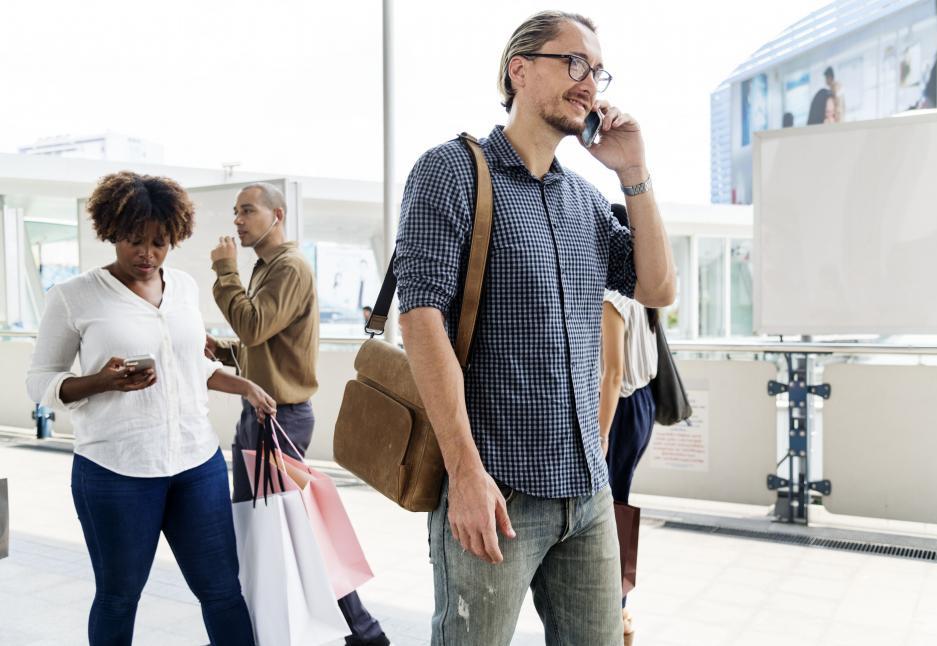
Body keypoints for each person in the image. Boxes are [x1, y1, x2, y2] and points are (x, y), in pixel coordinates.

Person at [395, 11, 676, 645]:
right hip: (497, 489)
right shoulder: (453, 171)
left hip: (588, 491)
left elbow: (658, 287)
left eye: (597, 71)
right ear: (518, 70)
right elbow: (420, 317)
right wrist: (464, 473)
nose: (590, 83)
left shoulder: (583, 199)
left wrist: (632, 170)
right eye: (574, 63)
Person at [26, 171, 274, 646]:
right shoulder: (74, 296)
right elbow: (40, 381)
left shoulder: (182, 287)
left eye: (159, 242)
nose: (147, 254)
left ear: (174, 238)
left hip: (195, 464)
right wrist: (105, 381)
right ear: (111, 232)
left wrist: (243, 385)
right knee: (119, 597)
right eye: (133, 240)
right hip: (115, 469)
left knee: (223, 591)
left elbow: (190, 366)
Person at [206, 182, 391, 646]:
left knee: (289, 532)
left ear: (278, 214)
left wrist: (224, 272)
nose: (238, 221)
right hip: (266, 416)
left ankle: (362, 633)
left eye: (247, 211)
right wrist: (226, 352)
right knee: (273, 531)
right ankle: (342, 631)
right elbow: (266, 345)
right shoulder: (268, 268)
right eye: (236, 212)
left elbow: (253, 324)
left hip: (278, 419)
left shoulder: (288, 267)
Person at [599, 204, 661, 646]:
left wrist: (599, 435)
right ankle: (618, 612)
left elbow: (612, 374)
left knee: (607, 511)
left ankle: (617, 615)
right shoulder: (644, 296)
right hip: (644, 408)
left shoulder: (612, 298)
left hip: (619, 410)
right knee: (619, 504)